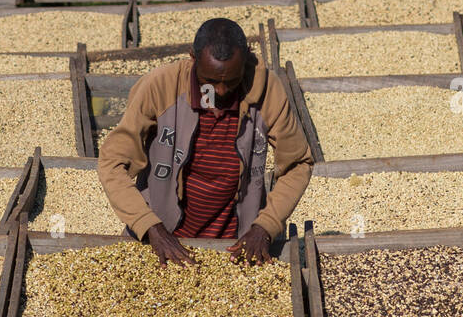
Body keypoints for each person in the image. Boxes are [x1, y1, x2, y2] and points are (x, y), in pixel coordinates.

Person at [98, 17, 313, 265]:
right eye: (210, 81)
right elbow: (112, 163)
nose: (220, 91)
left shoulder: (268, 92)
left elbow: (298, 164)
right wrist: (150, 227)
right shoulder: (159, 87)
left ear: (247, 58)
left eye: (231, 81)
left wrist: (265, 226)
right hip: (162, 242)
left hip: (237, 246)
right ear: (193, 58)